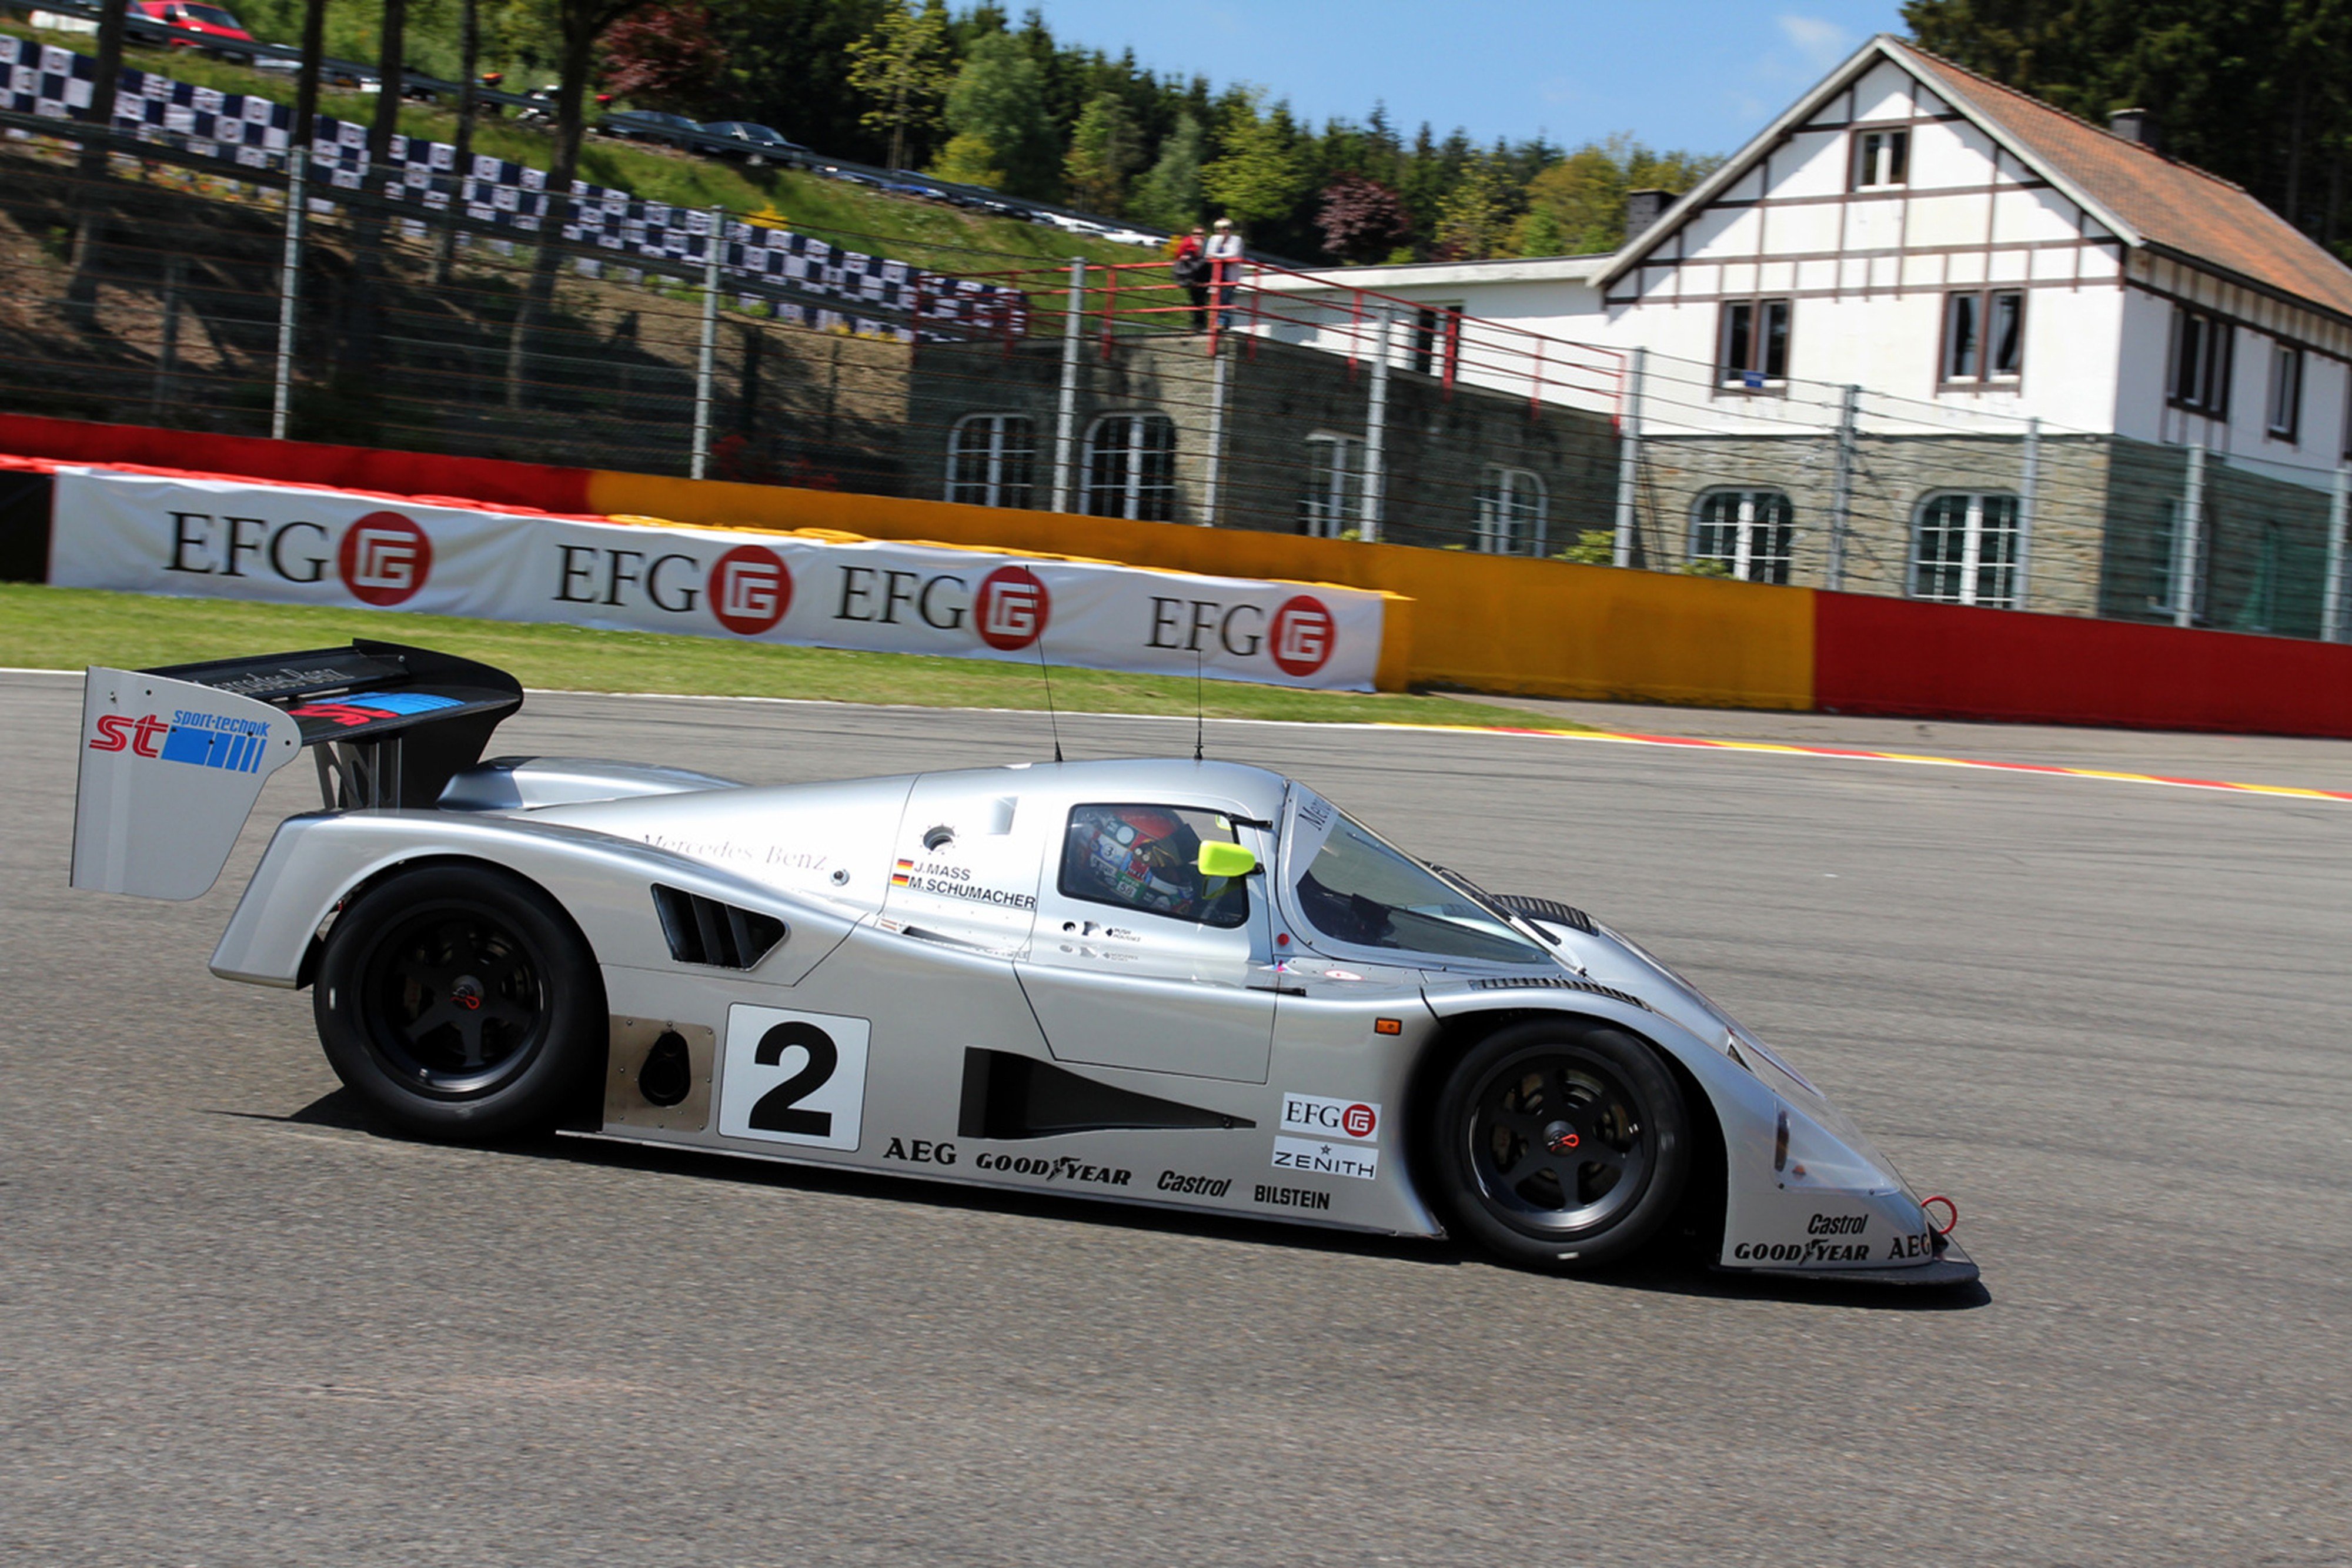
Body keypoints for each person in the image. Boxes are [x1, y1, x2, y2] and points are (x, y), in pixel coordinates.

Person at [1205, 217, 1245, 330]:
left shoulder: (1236, 240)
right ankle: (1215, 323)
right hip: (1217, 274)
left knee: (1225, 299)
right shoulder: (1214, 239)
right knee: (1216, 299)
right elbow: (1208, 254)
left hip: (1229, 274)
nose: (1224, 231)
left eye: (1227, 228)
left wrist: (1216, 256)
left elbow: (1233, 254)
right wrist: (1219, 254)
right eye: (1220, 228)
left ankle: (1223, 323)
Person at [1170, 225, 1210, 331]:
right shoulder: (1187, 243)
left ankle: (1208, 324)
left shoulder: (1207, 244)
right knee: (1197, 300)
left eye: (1200, 234)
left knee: (1207, 299)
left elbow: (1207, 257)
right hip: (1192, 275)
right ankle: (1198, 324)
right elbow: (1179, 254)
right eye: (1195, 234)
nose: (1198, 236)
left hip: (1205, 274)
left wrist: (1199, 248)